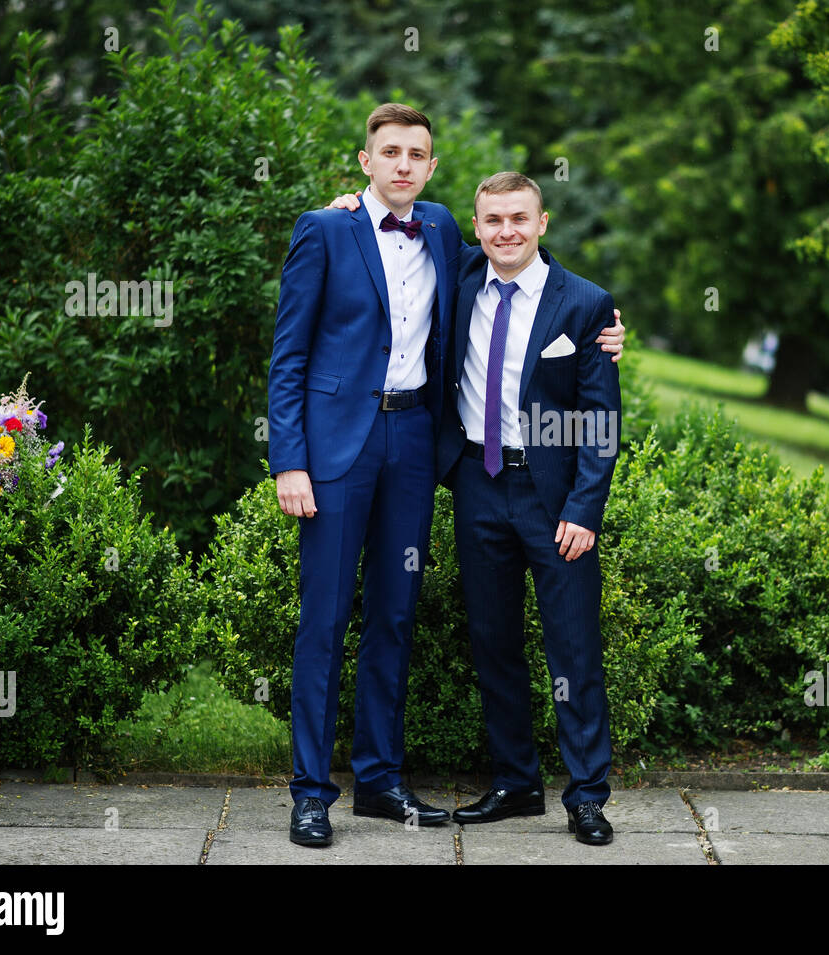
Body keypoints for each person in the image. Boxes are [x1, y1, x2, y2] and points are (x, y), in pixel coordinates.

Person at [268, 104, 624, 848]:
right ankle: (310, 792)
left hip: (417, 452)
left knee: (395, 617)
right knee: (326, 622)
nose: (402, 163)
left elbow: (558, 308)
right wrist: (289, 458)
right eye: (389, 151)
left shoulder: (441, 232)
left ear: (431, 168)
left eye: (417, 154)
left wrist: (608, 335)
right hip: (340, 451)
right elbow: (290, 356)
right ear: (365, 161)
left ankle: (379, 779)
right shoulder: (326, 230)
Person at [437, 172, 621, 845]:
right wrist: (347, 202)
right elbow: (398, 224)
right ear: (477, 227)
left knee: (573, 648)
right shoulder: (460, 281)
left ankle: (588, 795)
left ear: (543, 222)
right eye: (493, 221)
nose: (506, 232)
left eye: (519, 218)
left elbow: (601, 422)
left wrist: (584, 508)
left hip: (555, 501)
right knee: (494, 642)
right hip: (479, 483)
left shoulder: (585, 305)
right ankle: (516, 782)